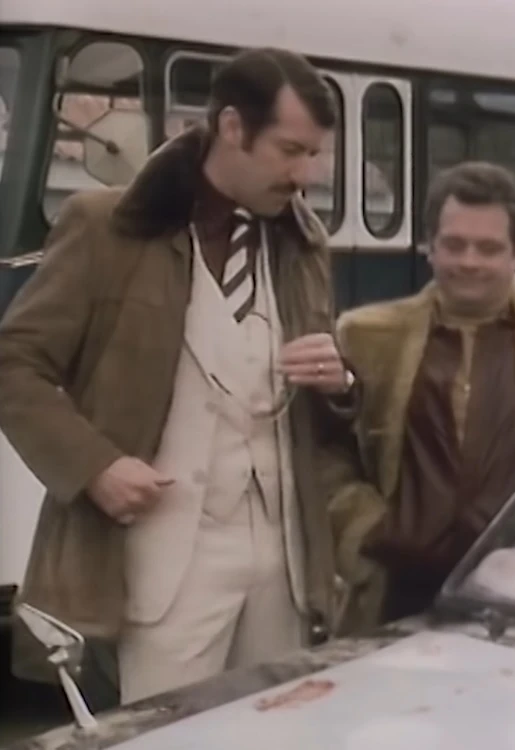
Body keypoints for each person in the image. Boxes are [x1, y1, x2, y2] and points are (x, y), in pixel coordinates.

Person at [0, 47, 360, 704]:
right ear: (231, 127)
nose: (304, 174)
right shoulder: (106, 228)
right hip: (165, 560)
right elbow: (13, 364)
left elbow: (322, 396)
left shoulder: (303, 242)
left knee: (278, 729)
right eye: (289, 151)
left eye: (314, 154)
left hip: (284, 561)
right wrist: (95, 467)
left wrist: (341, 386)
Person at [330, 161, 515, 631]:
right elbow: (326, 452)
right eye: (454, 245)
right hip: (395, 594)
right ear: (430, 247)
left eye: (488, 248)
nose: (469, 262)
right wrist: (367, 530)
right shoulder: (368, 339)